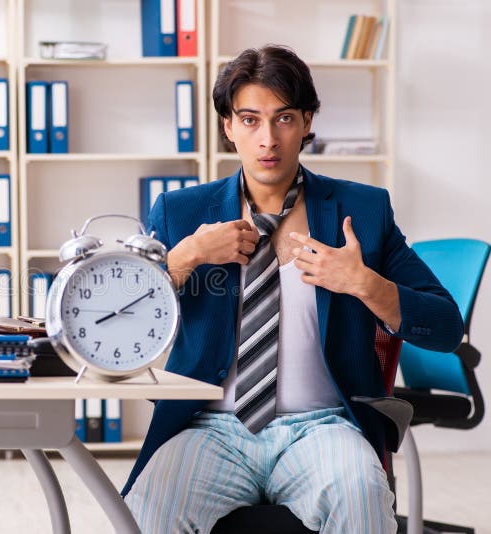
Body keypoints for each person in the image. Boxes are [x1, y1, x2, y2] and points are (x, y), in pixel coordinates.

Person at [121, 45, 464, 533]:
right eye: (250, 119)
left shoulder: (363, 210)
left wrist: (363, 283)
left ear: (306, 122)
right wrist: (186, 256)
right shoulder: (181, 213)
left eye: (284, 118)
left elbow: (446, 327)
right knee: (150, 506)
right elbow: (122, 319)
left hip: (322, 426)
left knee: (362, 494)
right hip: (209, 429)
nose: (268, 139)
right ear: (228, 126)